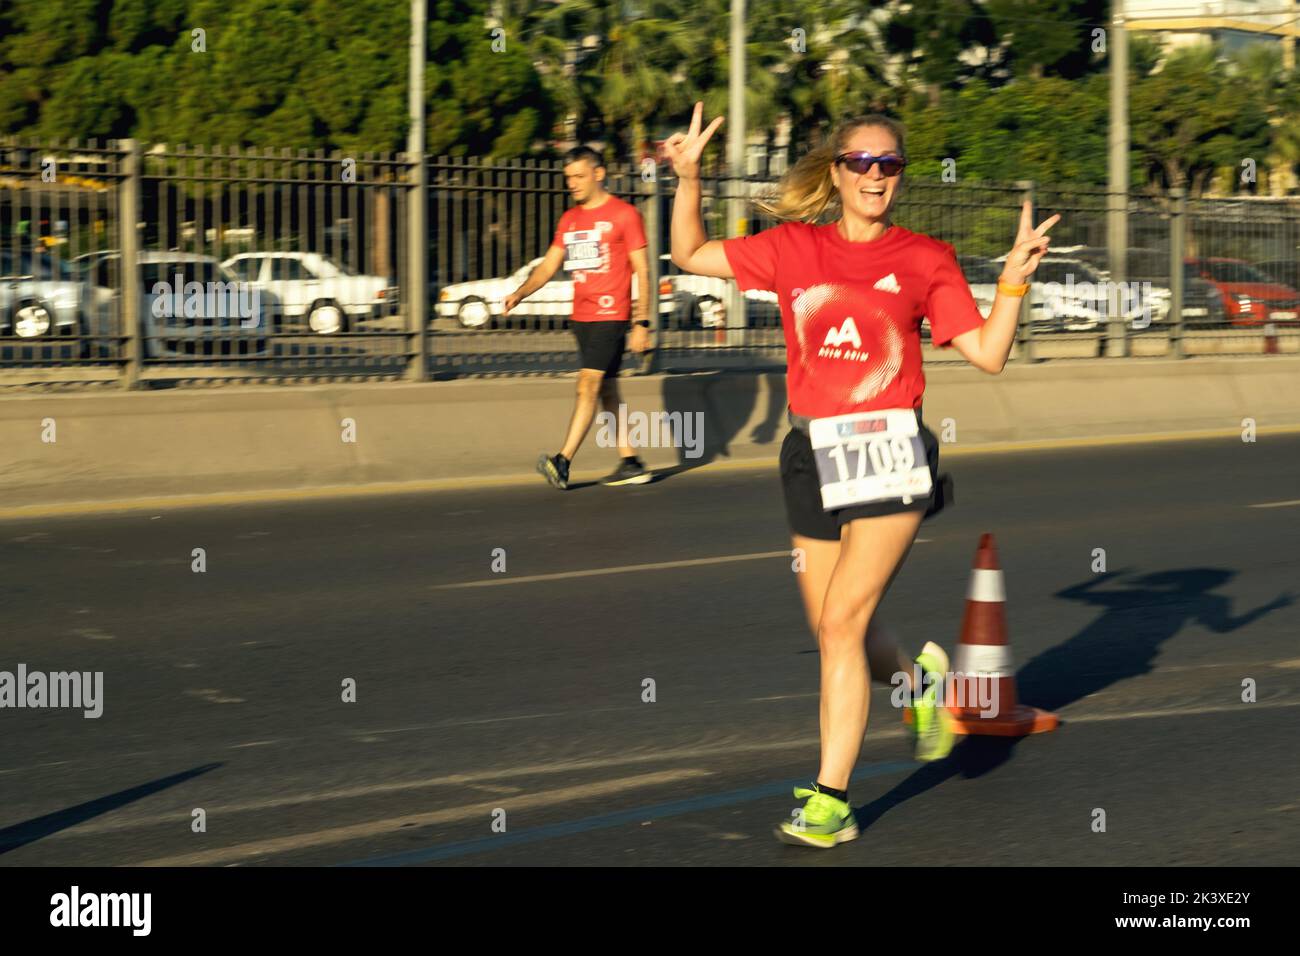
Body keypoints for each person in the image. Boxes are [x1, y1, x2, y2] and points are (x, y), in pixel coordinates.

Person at [664, 103, 1059, 849]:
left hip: (889, 452)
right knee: (836, 629)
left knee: (842, 623)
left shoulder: (924, 258)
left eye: (890, 165)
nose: (876, 176)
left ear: (900, 176)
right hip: (810, 454)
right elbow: (688, 254)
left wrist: (1011, 284)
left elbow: (987, 354)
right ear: (838, 171)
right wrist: (687, 178)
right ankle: (924, 690)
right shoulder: (790, 247)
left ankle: (831, 800)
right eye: (862, 163)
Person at [504, 146, 654, 489]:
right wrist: (520, 292)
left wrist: (642, 323)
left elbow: (643, 271)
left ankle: (563, 461)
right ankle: (631, 462)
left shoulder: (625, 215)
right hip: (581, 318)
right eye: (568, 177)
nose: (572, 183)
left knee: (587, 384)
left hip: (611, 315)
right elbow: (547, 266)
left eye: (579, 176)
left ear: (598, 174)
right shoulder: (569, 220)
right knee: (607, 391)